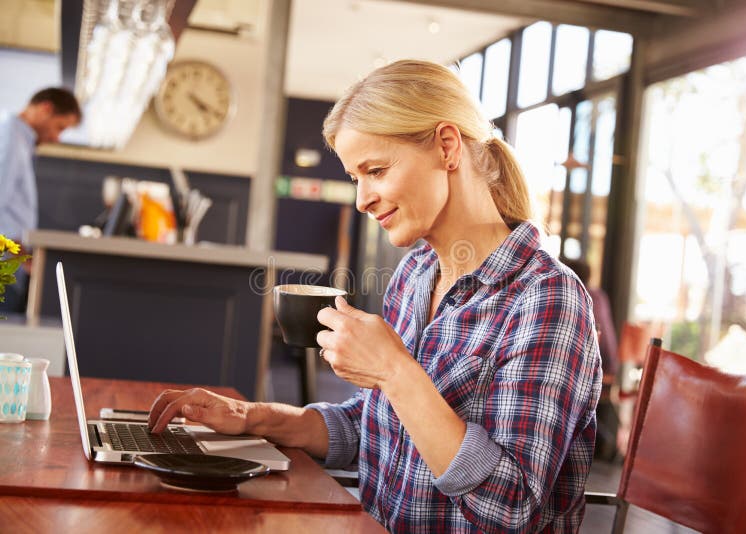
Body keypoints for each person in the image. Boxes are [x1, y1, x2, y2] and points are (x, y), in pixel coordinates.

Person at [148, 60, 602, 532]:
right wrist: (250, 417)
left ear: (448, 147)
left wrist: (393, 369)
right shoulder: (416, 274)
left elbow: (508, 504)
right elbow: (373, 429)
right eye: (355, 178)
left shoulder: (547, 299)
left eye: (377, 170)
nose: (362, 199)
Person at [0, 87, 81, 312]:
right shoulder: (9, 135)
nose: (57, 138)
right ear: (46, 108)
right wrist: (22, 256)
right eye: (60, 127)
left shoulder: (21, 141)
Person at [561, 257, 619, 460]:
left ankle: (601, 441)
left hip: (592, 372)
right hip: (608, 368)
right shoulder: (599, 296)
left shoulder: (572, 295)